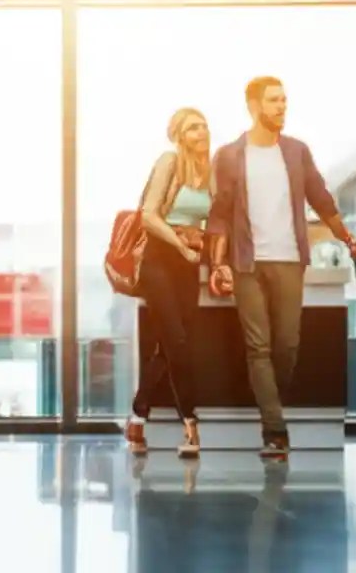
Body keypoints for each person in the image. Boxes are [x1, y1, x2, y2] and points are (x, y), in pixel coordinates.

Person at [207, 76, 356, 458]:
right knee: (258, 347)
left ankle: (269, 400)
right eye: (274, 101)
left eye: (284, 100)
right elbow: (219, 215)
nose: (282, 107)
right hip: (247, 262)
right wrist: (218, 262)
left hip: (289, 259)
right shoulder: (230, 155)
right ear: (253, 106)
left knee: (288, 345)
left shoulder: (296, 151)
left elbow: (322, 199)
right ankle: (275, 431)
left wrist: (349, 240)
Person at [126, 107, 213, 458]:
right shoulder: (169, 162)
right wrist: (181, 243)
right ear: (179, 135)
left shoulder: (209, 172)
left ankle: (137, 416)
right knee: (177, 341)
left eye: (204, 126)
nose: (201, 132)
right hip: (159, 260)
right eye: (193, 128)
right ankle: (192, 425)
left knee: (171, 343)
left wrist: (204, 246)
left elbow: (213, 220)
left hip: (187, 264)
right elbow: (148, 215)